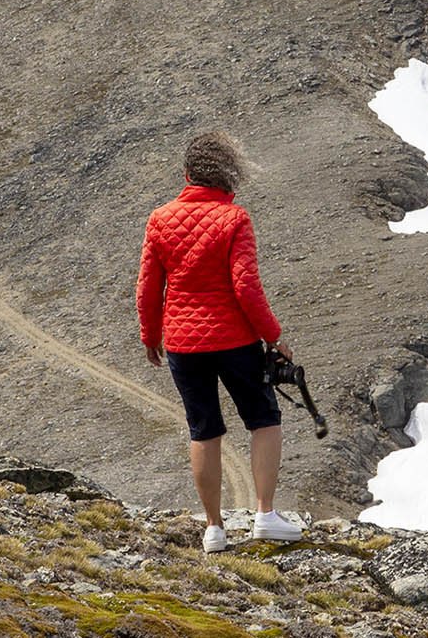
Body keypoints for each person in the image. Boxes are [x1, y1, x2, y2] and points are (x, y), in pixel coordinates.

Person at [136, 131, 302, 552]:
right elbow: (246, 287)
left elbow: (147, 288)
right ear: (230, 173)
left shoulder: (160, 219)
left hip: (182, 344)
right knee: (263, 419)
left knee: (203, 429)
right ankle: (264, 515)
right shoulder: (235, 220)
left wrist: (151, 336)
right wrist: (274, 336)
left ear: (188, 174)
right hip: (235, 342)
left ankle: (214, 528)